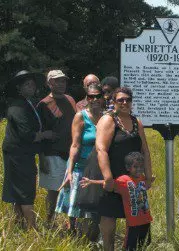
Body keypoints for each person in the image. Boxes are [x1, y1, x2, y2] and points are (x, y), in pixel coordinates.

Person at [95, 87, 153, 251]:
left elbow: (145, 151)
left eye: (127, 99)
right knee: (109, 217)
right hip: (113, 178)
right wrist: (108, 177)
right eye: (120, 100)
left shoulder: (136, 122)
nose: (124, 102)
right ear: (113, 102)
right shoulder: (108, 120)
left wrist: (148, 176)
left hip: (134, 182)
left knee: (137, 219)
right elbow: (101, 149)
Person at [2, 70, 54, 229]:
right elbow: (26, 134)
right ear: (19, 88)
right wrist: (45, 135)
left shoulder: (28, 103)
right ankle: (32, 229)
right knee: (24, 190)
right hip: (18, 154)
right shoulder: (17, 106)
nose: (31, 87)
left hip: (23, 153)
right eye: (27, 84)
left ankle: (19, 225)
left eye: (32, 84)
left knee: (19, 189)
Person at [55, 83, 105, 239]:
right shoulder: (80, 117)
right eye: (91, 96)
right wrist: (70, 171)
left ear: (103, 98)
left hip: (99, 169)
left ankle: (93, 236)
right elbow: (75, 145)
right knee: (76, 206)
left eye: (98, 96)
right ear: (86, 98)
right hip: (81, 167)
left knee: (95, 207)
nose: (95, 99)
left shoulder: (107, 117)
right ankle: (74, 236)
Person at [81, 152, 153, 250]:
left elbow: (148, 183)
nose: (139, 169)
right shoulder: (124, 180)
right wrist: (91, 181)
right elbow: (108, 182)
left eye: (141, 167)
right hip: (133, 223)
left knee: (144, 244)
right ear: (128, 168)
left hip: (146, 220)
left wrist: (151, 179)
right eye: (135, 167)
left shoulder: (142, 178)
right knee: (129, 247)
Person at [37, 69, 77, 224]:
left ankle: (71, 224)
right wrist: (42, 158)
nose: (61, 84)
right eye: (57, 81)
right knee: (53, 190)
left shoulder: (70, 100)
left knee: (72, 189)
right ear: (49, 83)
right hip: (52, 153)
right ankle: (49, 221)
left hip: (71, 153)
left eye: (63, 80)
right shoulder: (43, 104)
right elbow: (38, 132)